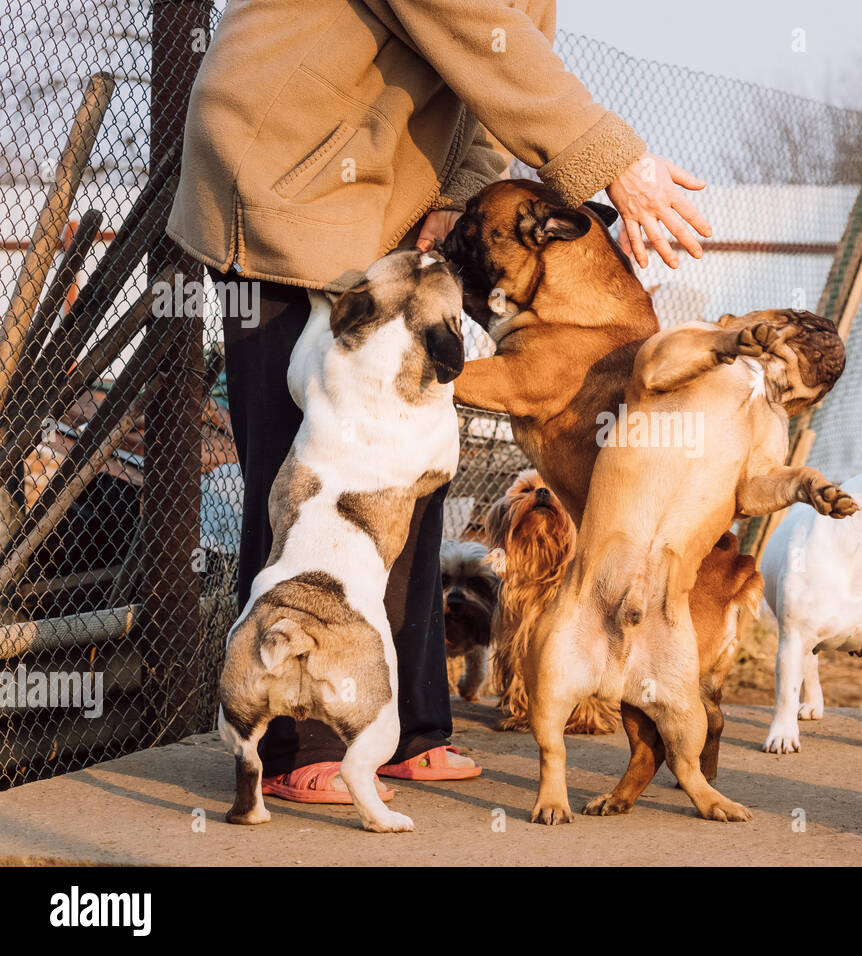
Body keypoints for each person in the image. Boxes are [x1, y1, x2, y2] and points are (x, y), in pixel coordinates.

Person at [167, 0, 712, 804]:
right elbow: (464, 18)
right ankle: (290, 740)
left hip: (380, 174)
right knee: (306, 470)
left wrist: (458, 195)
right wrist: (611, 160)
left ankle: (405, 723)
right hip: (291, 160)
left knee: (419, 458)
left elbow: (503, 61)